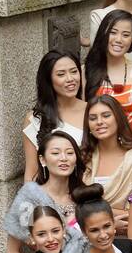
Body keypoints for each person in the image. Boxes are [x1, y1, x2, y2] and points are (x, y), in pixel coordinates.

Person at [6, 130, 87, 253]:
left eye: (69, 153)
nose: (64, 158)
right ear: (43, 160)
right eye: (56, 153)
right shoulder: (31, 196)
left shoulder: (84, 196)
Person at [24, 51, 87, 182]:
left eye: (74, 71)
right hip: (51, 196)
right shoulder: (36, 119)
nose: (70, 79)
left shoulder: (93, 112)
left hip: (90, 192)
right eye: (61, 74)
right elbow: (31, 173)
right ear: (48, 80)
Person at [83, 10, 132, 127]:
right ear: (103, 34)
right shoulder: (86, 71)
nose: (118, 39)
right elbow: (82, 114)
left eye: (126, 35)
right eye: (113, 32)